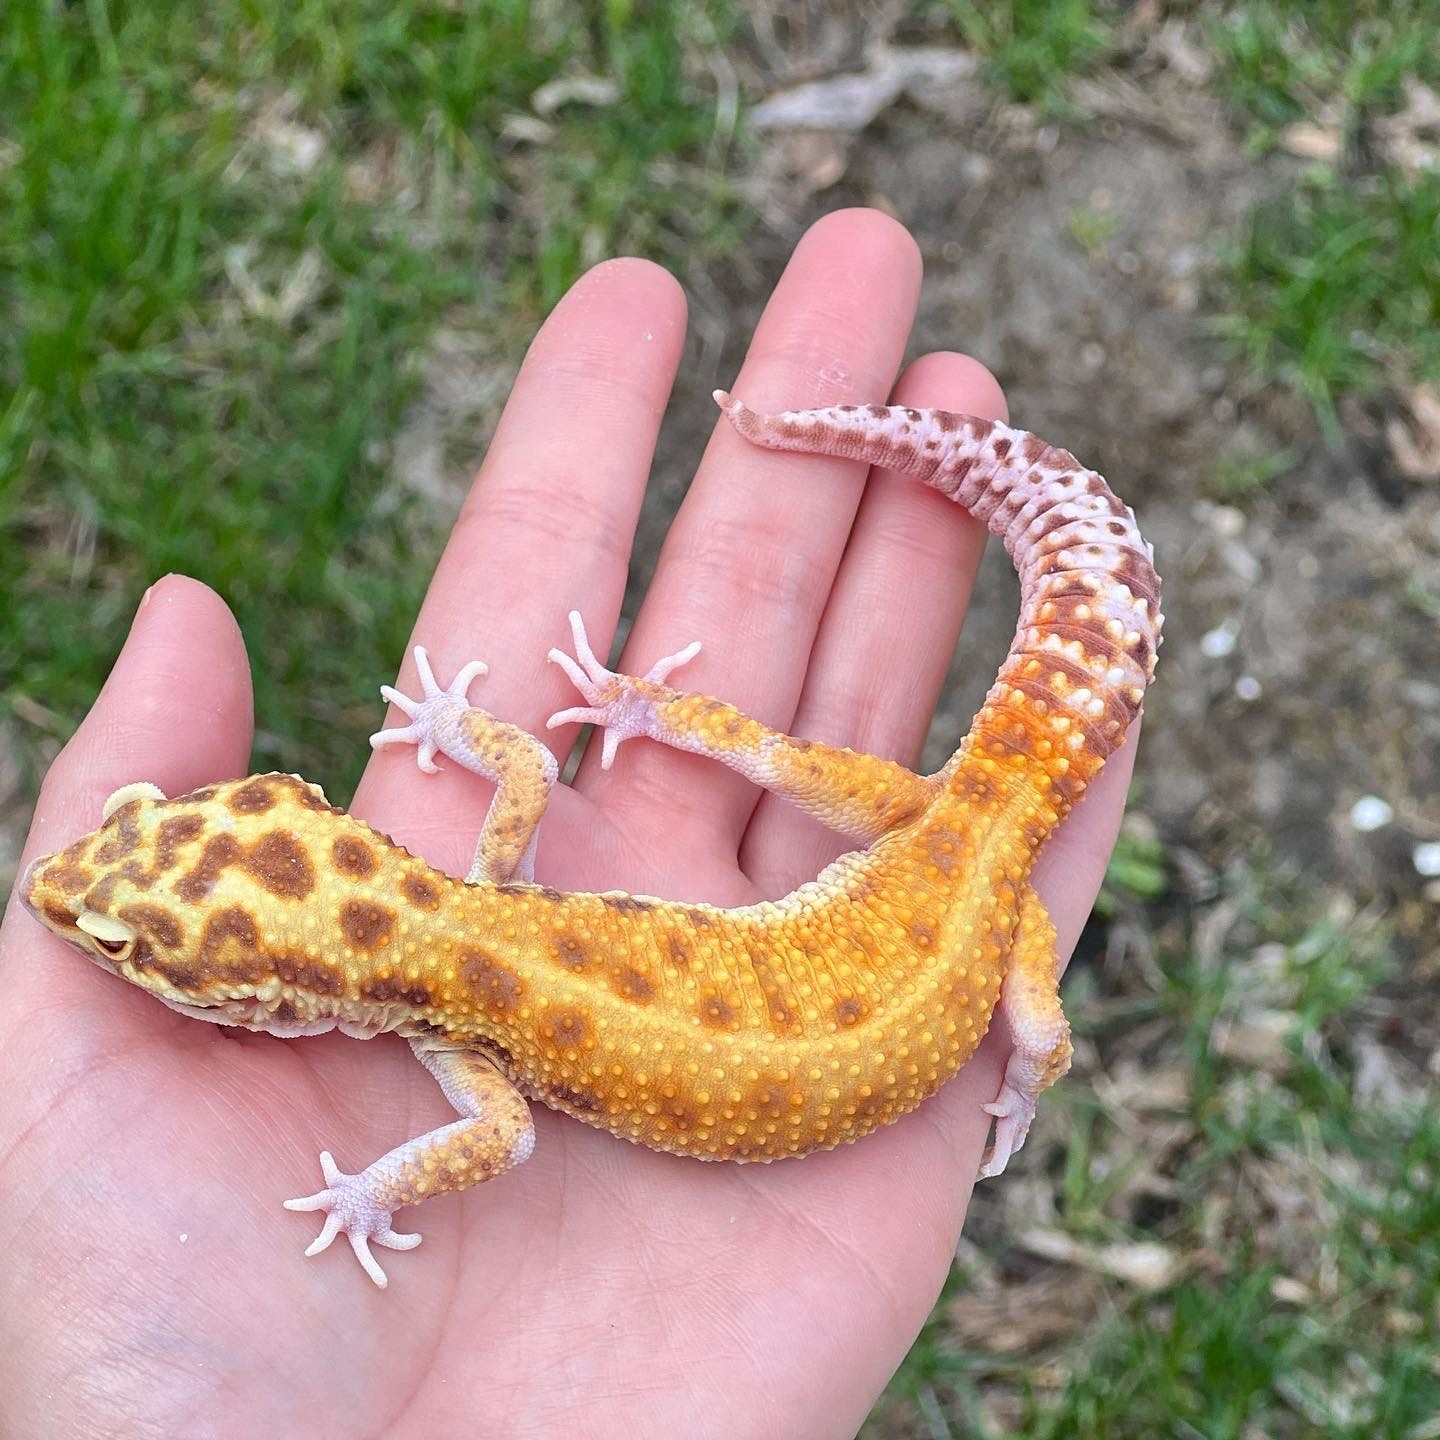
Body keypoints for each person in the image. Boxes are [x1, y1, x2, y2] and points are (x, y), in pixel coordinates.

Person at [0, 210, 1136, 1437]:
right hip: (939, 891)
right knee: (1029, 1029)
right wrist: (478, 724)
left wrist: (376, 1195)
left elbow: (501, 1142)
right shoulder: (484, 910)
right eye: (120, 928)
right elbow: (524, 775)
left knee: (1028, 1026)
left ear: (280, 1000)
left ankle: (1027, 1059)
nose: (59, 895)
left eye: (119, 937)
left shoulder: (463, 1029)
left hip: (938, 904)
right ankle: (1030, 1060)